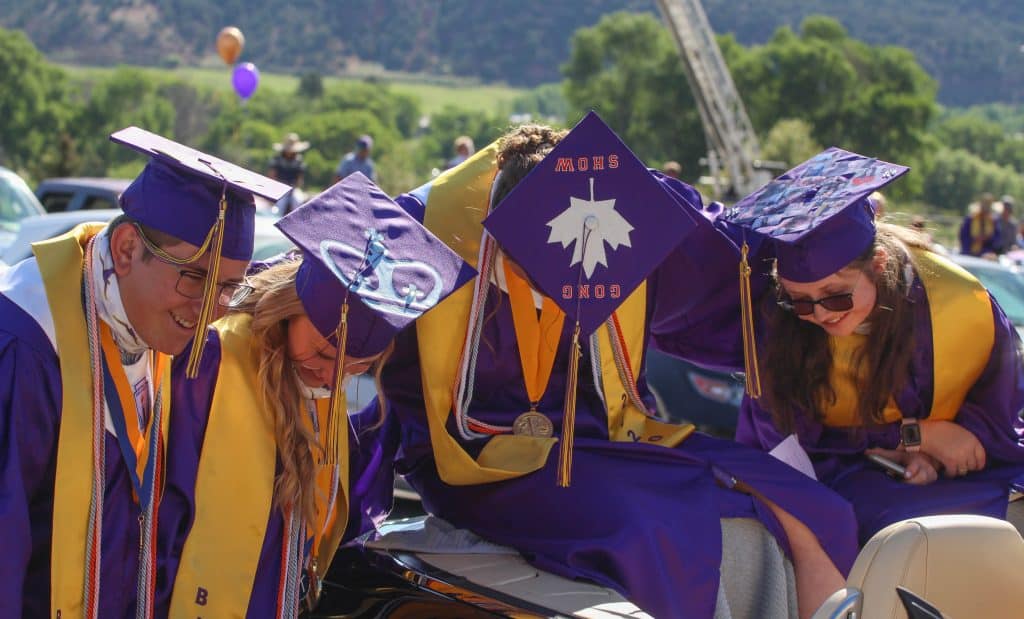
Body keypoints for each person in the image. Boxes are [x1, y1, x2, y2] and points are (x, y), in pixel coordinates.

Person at [382, 113, 859, 619]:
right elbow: (334, 332)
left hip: (603, 436)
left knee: (808, 505)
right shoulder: (422, 228)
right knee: (645, 528)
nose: (562, 294)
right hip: (476, 461)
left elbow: (730, 256)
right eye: (541, 277)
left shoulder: (621, 202)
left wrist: (819, 249)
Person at [0, 126, 288, 617]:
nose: (209, 309)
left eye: (228, 287)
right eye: (195, 276)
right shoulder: (28, 341)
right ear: (128, 248)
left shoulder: (143, 323)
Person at [157, 173, 475, 617]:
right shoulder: (212, 361)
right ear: (291, 308)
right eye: (326, 351)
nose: (332, 374)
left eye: (357, 366)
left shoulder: (321, 390)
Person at [721, 148, 1024, 545]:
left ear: (878, 266)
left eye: (836, 296)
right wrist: (911, 438)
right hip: (842, 480)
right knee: (873, 523)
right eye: (798, 299)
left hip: (954, 476)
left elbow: (1001, 412)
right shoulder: (780, 329)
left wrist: (932, 454)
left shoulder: (960, 302)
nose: (820, 313)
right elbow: (782, 443)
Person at [960, 191, 1000, 256]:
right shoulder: (971, 219)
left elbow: (997, 240)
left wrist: (987, 239)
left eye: (988, 205)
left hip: (986, 254)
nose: (986, 207)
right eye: (985, 204)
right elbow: (963, 236)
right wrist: (974, 239)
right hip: (969, 252)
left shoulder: (994, 221)